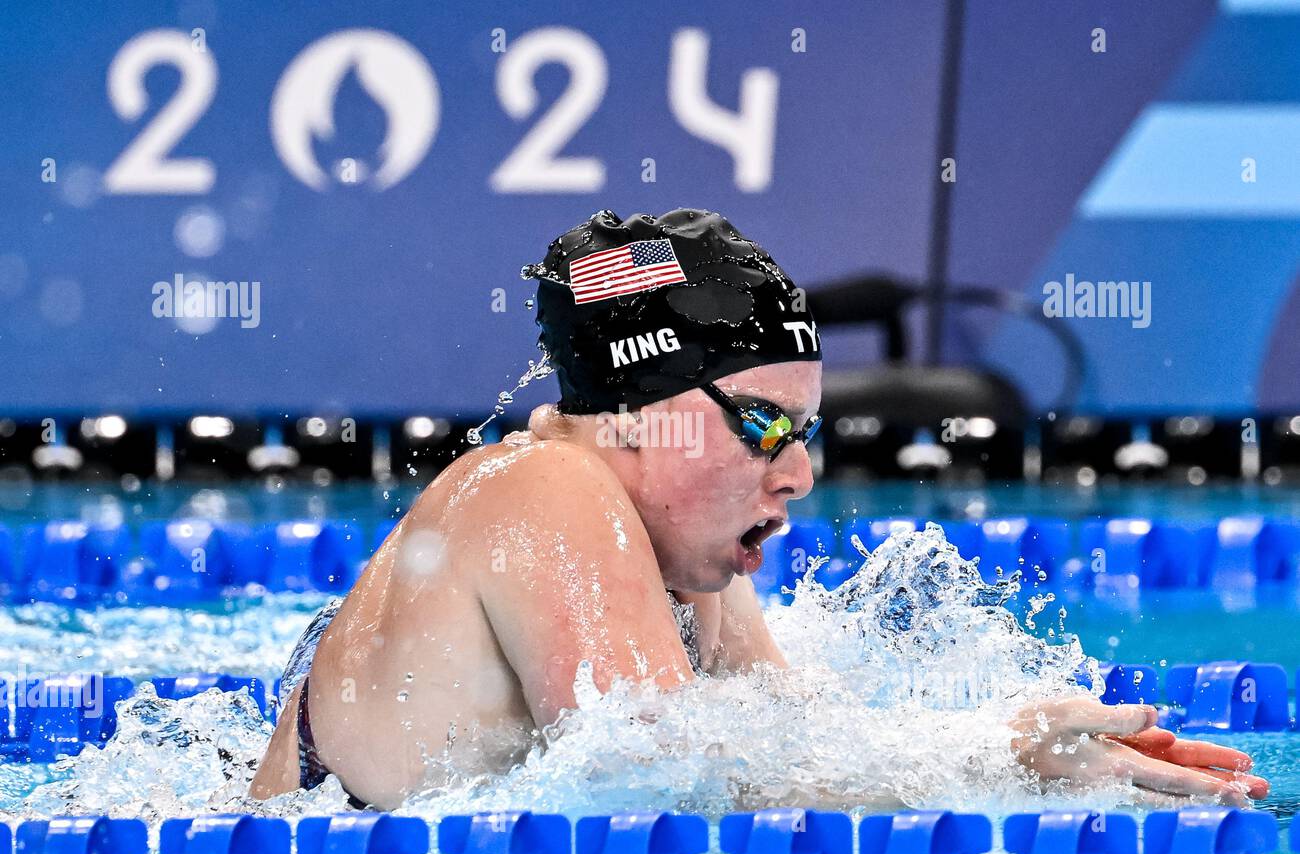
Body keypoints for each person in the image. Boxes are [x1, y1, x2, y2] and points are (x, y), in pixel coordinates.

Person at [250, 208, 1267, 810]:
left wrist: (1028, 759)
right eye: (764, 424)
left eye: (806, 430)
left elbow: (794, 740)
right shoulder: (543, 486)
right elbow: (660, 763)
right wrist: (986, 748)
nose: (799, 475)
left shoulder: (679, 555)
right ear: (641, 409)